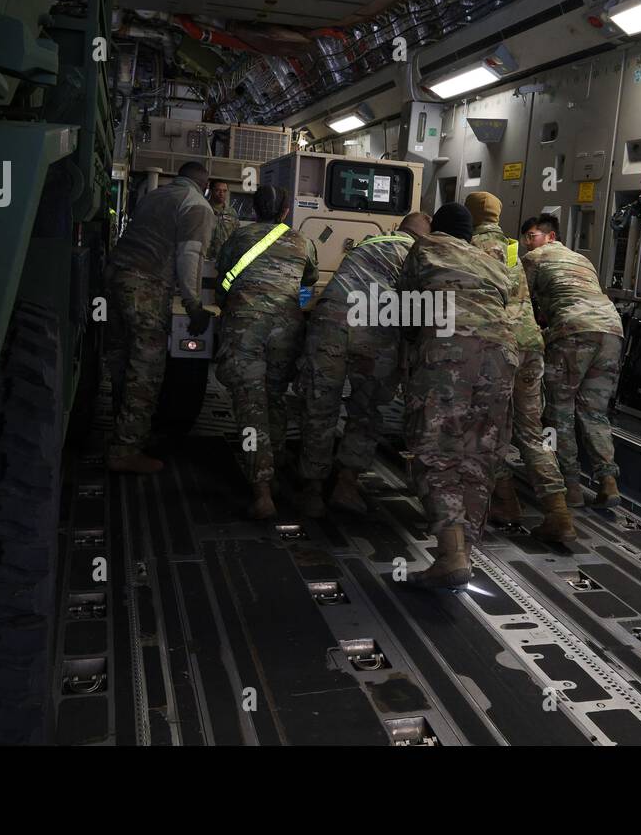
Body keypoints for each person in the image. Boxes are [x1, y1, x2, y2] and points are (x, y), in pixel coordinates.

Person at [400, 202, 519, 588]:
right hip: (501, 357)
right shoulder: (494, 263)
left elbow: (406, 309)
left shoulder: (426, 247)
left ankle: (452, 555)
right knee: (480, 451)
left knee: (436, 448)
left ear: (437, 226)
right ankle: (463, 550)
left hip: (450, 352)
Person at [297, 211, 432, 518]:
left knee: (320, 404)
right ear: (424, 237)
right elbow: (413, 313)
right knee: (367, 408)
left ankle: (312, 490)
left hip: (331, 321)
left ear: (398, 227)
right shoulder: (418, 255)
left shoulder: (367, 243)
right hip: (376, 330)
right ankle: (346, 483)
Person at [465, 193, 573, 541]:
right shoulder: (514, 249)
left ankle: (506, 501)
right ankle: (558, 513)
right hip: (530, 345)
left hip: (498, 349)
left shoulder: (468, 247)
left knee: (488, 427)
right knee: (531, 432)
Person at [214, 184, 318, 519]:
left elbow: (223, 280)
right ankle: (275, 468)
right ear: (286, 211)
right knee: (273, 397)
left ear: (253, 210)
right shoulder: (303, 241)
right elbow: (309, 280)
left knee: (249, 404)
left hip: (244, 326)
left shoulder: (240, 238)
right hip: (285, 330)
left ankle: (261, 492)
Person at [104, 161, 214, 474]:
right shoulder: (197, 206)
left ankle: (123, 433)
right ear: (204, 185)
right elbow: (189, 256)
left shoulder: (154, 196)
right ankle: (125, 450)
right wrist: (193, 305)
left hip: (115, 277)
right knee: (146, 368)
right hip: (145, 284)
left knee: (121, 362)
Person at [520, 213, 625, 515]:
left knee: (559, 408)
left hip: (573, 333)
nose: (529, 242)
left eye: (533, 235)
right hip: (611, 332)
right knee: (594, 411)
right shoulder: (583, 260)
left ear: (551, 237)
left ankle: (571, 486)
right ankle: (607, 481)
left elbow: (519, 302)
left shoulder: (535, 259)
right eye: (526, 237)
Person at [206, 178, 239, 260]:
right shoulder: (204, 208)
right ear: (211, 191)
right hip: (206, 256)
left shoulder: (231, 212)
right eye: (218, 190)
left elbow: (236, 235)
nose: (221, 194)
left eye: (224, 191)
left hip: (224, 258)